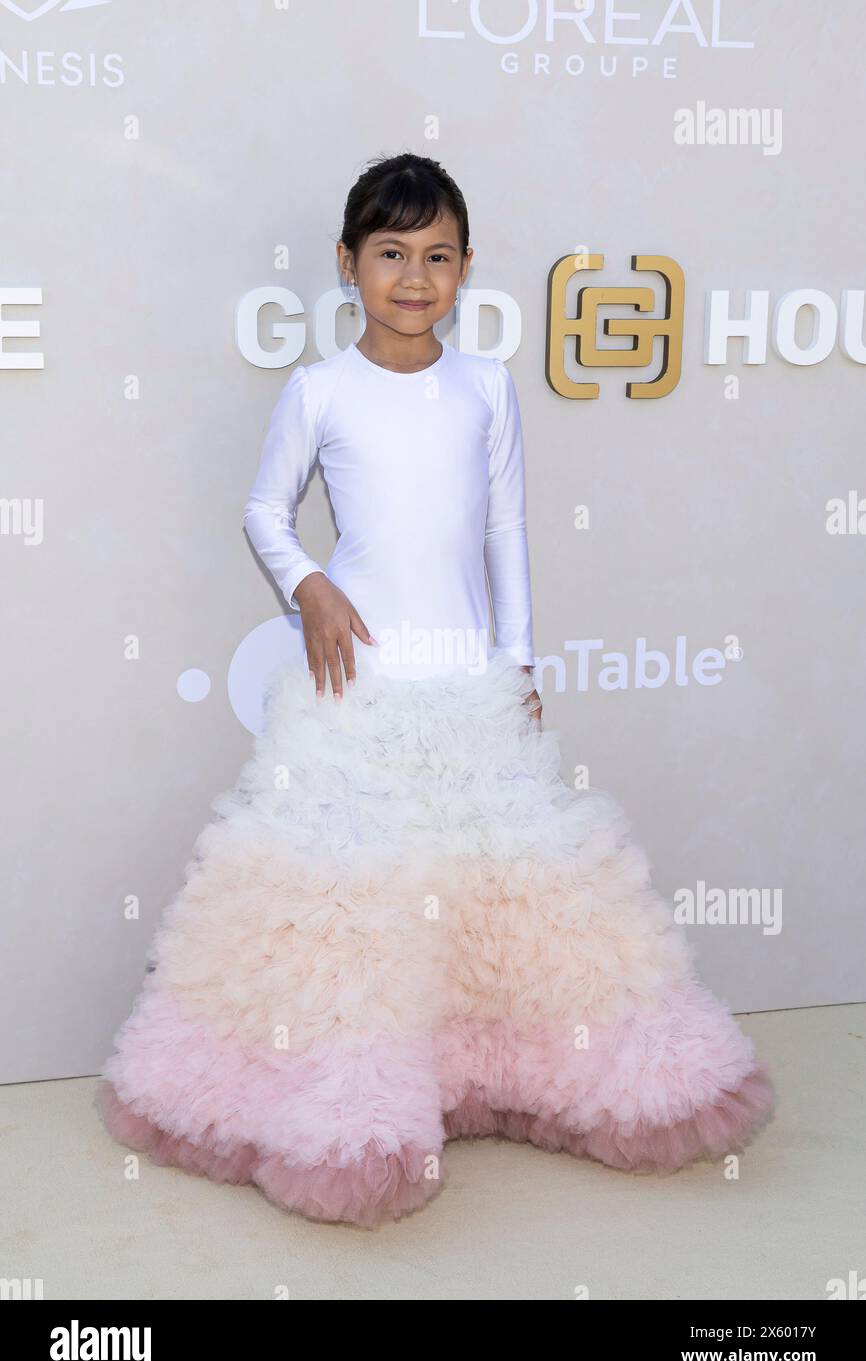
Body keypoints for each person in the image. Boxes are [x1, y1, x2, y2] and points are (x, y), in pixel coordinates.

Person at [96, 153, 774, 1228]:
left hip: (468, 685)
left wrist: (518, 662)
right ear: (347, 264)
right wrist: (308, 584)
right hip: (355, 687)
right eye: (391, 254)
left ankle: (485, 1074)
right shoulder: (318, 388)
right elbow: (264, 513)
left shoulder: (485, 385)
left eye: (438, 256)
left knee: (504, 899)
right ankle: (351, 1107)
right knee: (353, 920)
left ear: (467, 269)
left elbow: (504, 527)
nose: (414, 276)